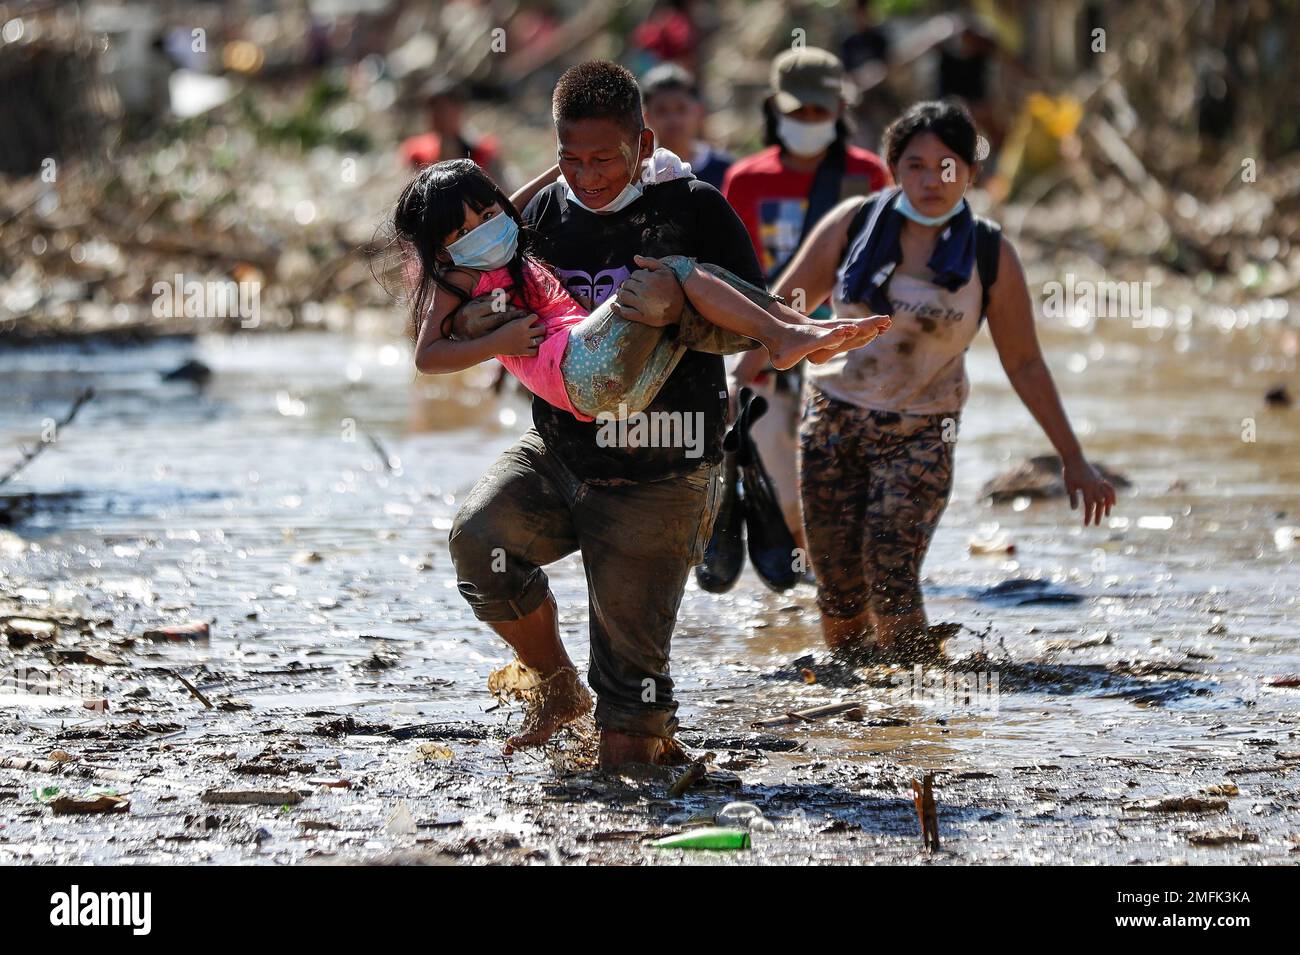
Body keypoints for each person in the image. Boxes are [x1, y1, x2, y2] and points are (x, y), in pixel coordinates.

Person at [440, 61, 800, 768]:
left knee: (630, 744)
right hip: (561, 455)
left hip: (661, 471)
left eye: (604, 158)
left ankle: (639, 725)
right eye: (570, 159)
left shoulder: (694, 209)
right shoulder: (538, 220)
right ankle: (556, 685)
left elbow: (757, 328)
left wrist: (681, 315)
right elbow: (497, 324)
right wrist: (484, 320)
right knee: (477, 540)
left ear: (643, 144)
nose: (587, 175)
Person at [755, 100, 1116, 661]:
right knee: (839, 586)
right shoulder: (853, 224)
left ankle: (916, 695)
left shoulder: (991, 254)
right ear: (894, 170)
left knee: (890, 564)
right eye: (916, 165)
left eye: (947, 166)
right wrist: (735, 389)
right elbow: (783, 310)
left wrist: (1073, 457)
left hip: (923, 433)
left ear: (971, 173)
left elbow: (1024, 363)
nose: (931, 180)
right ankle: (859, 704)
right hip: (832, 423)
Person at [394, 159, 886, 420]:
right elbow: (427, 357)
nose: (483, 229)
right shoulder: (458, 275)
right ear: (440, 250)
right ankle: (785, 335)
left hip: (608, 388)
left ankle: (794, 330)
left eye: (487, 215)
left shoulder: (503, 240)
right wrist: (495, 346)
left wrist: (561, 167)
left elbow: (514, 204)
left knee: (683, 310)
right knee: (672, 269)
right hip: (579, 365)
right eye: (463, 232)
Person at [722, 46, 891, 551]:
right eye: (799, 111)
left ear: (840, 110)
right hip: (767, 347)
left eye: (821, 111)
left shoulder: (869, 176)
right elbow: (732, 272)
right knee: (779, 473)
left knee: (843, 473)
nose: (810, 121)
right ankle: (803, 576)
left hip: (844, 345)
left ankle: (832, 576)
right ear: (775, 107)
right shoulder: (746, 180)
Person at [641, 63, 733, 190]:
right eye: (661, 111)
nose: (673, 119)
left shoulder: (726, 170)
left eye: (681, 109)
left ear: (699, 111)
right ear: (646, 117)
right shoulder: (637, 172)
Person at [398, 76, 506, 184]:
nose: (438, 117)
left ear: (460, 110)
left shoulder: (483, 152)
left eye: (443, 111)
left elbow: (502, 190)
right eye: (433, 111)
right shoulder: (417, 154)